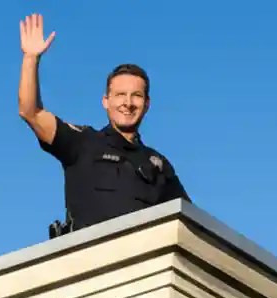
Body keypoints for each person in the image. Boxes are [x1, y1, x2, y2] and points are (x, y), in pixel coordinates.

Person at [17, 13, 190, 236]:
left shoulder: (158, 165)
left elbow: (188, 223)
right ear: (105, 101)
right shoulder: (82, 142)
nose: (128, 103)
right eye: (120, 95)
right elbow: (31, 112)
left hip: (143, 264)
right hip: (90, 263)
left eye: (136, 96)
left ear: (147, 104)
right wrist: (31, 58)